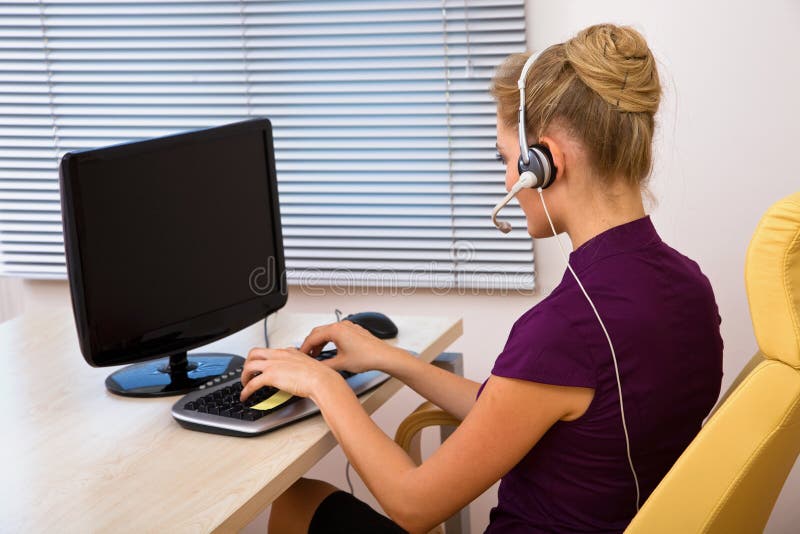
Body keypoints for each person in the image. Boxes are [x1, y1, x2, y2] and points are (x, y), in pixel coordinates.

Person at [239, 23, 724, 534]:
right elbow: (512, 410)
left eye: (504, 158)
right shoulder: (691, 287)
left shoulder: (565, 329)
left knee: (299, 502)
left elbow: (414, 505)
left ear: (545, 163)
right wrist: (390, 359)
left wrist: (321, 384)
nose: (505, 179)